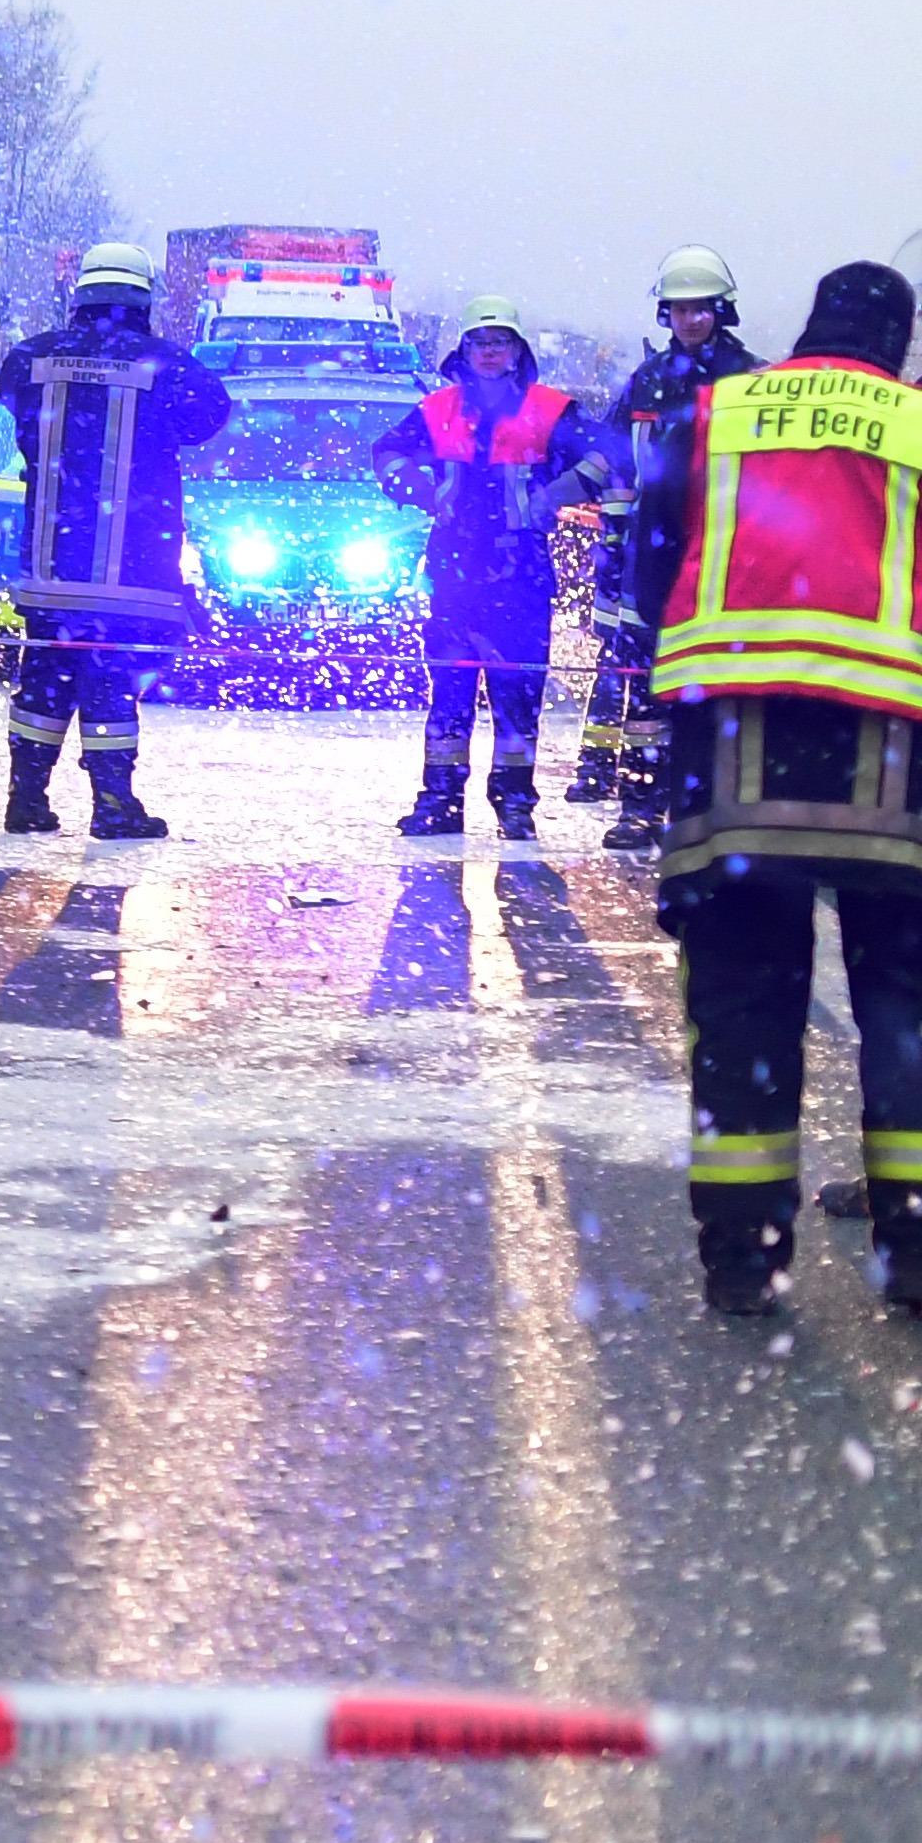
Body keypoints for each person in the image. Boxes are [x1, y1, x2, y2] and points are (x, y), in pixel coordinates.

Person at [624, 259, 922, 1318]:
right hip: (900, 767)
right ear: (897, 339)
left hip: (737, 756)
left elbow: (653, 561)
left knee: (745, 1005)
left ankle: (744, 1258)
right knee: (906, 1007)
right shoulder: (917, 424)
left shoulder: (714, 412)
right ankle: (916, 1250)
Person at [0, 237, 234, 837]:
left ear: (81, 295)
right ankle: (113, 804)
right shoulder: (170, 366)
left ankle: (26, 799)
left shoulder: (29, 359)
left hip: (52, 562)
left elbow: (15, 407)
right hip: (131, 567)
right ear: (142, 298)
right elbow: (209, 417)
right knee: (110, 687)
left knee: (43, 684)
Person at [372, 294, 585, 838]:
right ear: (464, 351)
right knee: (450, 694)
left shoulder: (553, 409)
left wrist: (552, 496)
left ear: (517, 350)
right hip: (455, 573)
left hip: (521, 575)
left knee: (518, 697)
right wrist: (423, 492)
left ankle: (515, 805)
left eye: (499, 341)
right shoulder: (436, 408)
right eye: (479, 342)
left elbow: (607, 458)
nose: (489, 351)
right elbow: (387, 453)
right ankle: (440, 801)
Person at [577, 245, 760, 849]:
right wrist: (549, 494)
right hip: (649, 561)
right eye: (679, 311)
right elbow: (607, 457)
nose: (690, 321)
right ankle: (638, 805)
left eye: (700, 310)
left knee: (709, 687)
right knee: (648, 685)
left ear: (721, 311)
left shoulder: (750, 380)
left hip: (719, 558)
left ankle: (702, 813)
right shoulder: (647, 381)